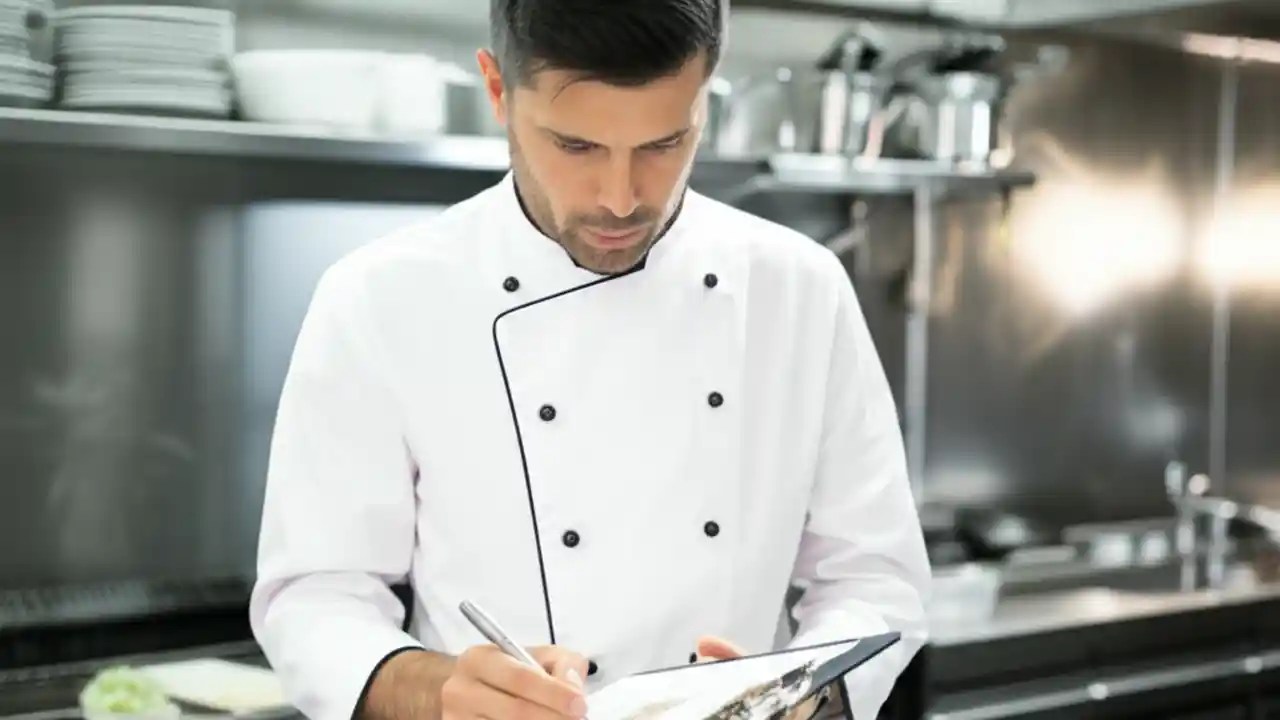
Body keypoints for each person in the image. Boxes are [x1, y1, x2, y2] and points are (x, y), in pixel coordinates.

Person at [249, 1, 931, 719]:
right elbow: (315, 596)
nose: (620, 198)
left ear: (708, 93)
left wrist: (808, 700)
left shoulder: (798, 288)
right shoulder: (381, 296)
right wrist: (439, 691)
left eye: (664, 143)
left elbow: (875, 576)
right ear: (497, 92)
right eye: (575, 147)